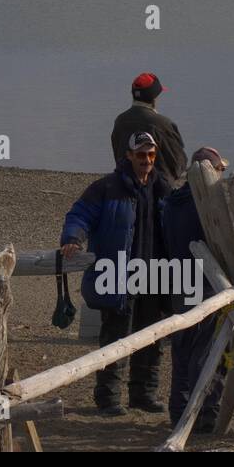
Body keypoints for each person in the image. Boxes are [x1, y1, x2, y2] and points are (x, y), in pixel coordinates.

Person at [61, 132, 172, 415]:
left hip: (155, 275)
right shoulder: (106, 188)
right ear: (128, 156)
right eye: (140, 155)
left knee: (153, 337)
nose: (146, 160)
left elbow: (178, 220)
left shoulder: (163, 189)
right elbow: (80, 214)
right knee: (115, 339)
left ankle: (143, 395)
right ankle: (108, 398)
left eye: (151, 155)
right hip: (118, 275)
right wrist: (73, 238)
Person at [161, 146, 228, 432]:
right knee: (210, 352)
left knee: (183, 351)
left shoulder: (171, 203)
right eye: (219, 170)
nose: (221, 175)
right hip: (206, 284)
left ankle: (179, 412)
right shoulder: (205, 205)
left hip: (178, 281)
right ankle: (205, 414)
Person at [111, 73, 187, 183]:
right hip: (157, 188)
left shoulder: (120, 120)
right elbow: (178, 163)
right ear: (154, 98)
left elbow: (117, 155)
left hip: (124, 183)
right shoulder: (163, 123)